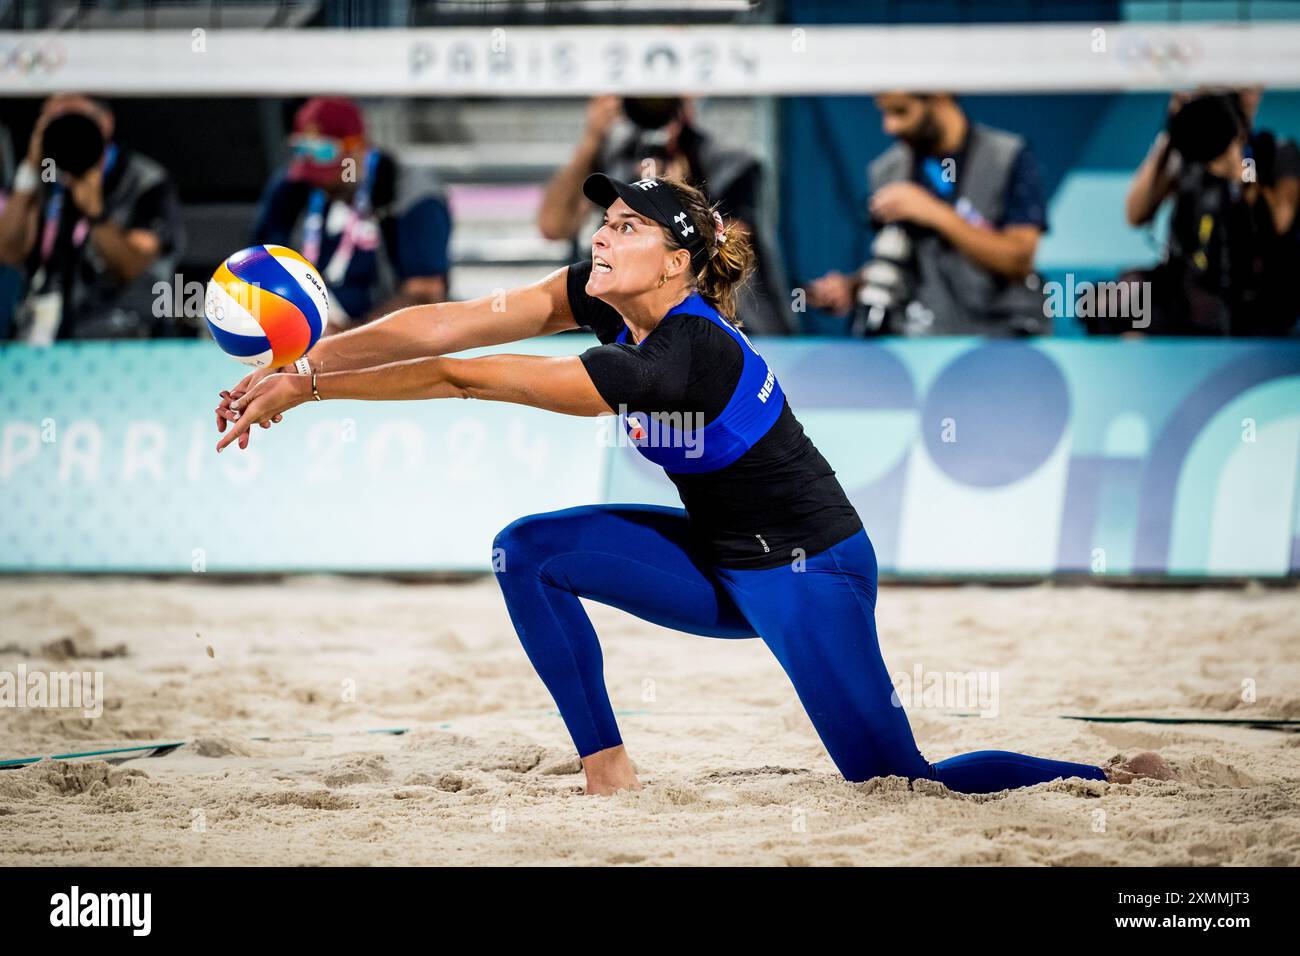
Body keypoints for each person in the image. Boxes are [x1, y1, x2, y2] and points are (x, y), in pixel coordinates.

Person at [214, 173, 1171, 797]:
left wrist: (309, 388)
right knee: (527, 552)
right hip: (716, 559)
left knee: (898, 780)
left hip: (808, 570)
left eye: (625, 227)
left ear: (675, 262)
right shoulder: (604, 299)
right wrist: (304, 363)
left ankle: (1107, 775)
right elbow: (445, 326)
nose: (602, 234)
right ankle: (608, 770)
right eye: (604, 221)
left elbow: (464, 378)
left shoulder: (685, 353)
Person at [538, 95, 794, 335]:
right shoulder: (616, 154)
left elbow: (730, 251)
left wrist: (676, 197)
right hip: (614, 321)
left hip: (721, 322)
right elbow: (553, 227)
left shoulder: (729, 162)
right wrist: (591, 140)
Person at [808, 91, 1049, 336]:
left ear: (939, 96)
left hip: (1001, 338)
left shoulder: (1006, 156)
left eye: (901, 111)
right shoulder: (887, 171)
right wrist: (854, 287)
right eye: (884, 113)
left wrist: (933, 212)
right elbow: (903, 263)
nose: (889, 126)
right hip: (921, 342)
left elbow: (1019, 260)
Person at [251, 96, 452, 334]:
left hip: (386, 339)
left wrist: (347, 338)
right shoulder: (292, 186)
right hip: (301, 330)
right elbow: (258, 270)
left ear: (359, 148)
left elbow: (426, 295)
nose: (318, 182)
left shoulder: (412, 194)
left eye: (327, 168)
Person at [1112, 87, 1300, 336]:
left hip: (1254, 292)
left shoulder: (1274, 151)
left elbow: (1282, 221)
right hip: (1187, 287)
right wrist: (1171, 134)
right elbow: (1135, 215)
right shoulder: (1187, 154)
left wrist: (1241, 170)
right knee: (1113, 303)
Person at [0, 94, 183, 341]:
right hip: (38, 335)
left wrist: (96, 214)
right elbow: (8, 252)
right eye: (54, 120)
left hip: (119, 337)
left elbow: (131, 266)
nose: (66, 130)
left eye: (74, 119)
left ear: (105, 123)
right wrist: (29, 173)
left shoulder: (144, 180)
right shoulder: (42, 177)